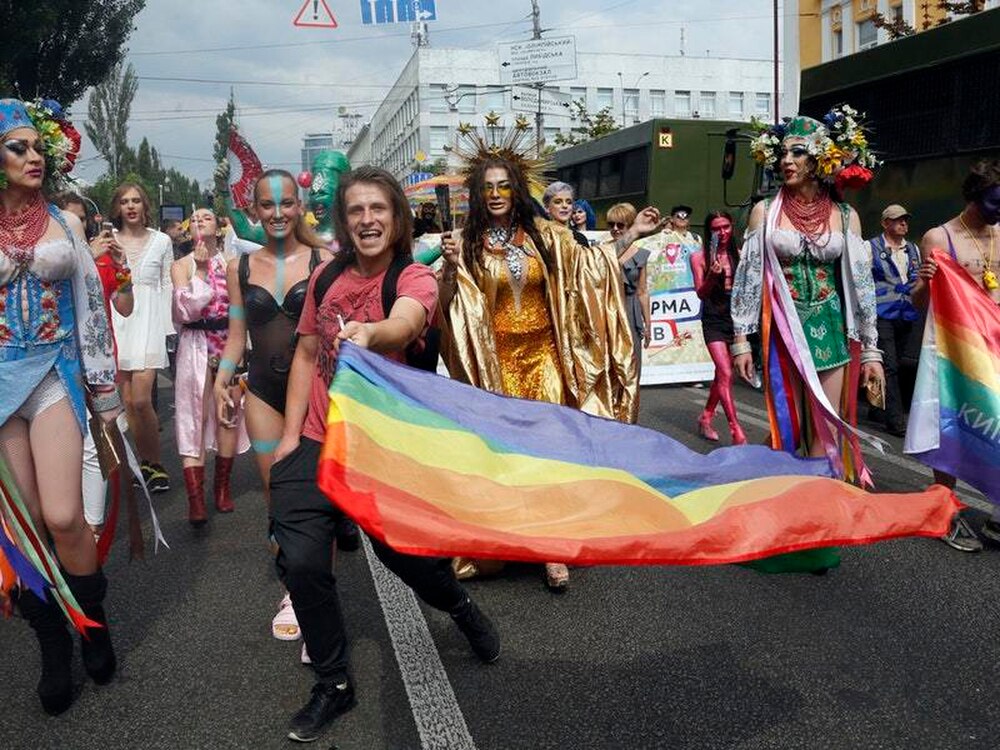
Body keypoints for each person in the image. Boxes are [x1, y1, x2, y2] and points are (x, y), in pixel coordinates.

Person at [269, 165, 500, 743]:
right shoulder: (325, 278)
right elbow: (306, 356)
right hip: (318, 438)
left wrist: (369, 334)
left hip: (384, 448)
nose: (367, 220)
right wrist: (291, 438)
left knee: (408, 561)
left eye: (378, 209)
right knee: (301, 561)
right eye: (356, 210)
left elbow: (405, 323)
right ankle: (333, 683)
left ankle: (459, 606)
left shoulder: (413, 277)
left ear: (396, 218)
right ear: (343, 221)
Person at [440, 119, 661, 589]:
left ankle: (552, 548)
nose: (496, 194)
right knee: (506, 457)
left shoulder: (546, 234)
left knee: (550, 454)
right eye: (488, 187)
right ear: (478, 193)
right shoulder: (469, 243)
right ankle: (510, 539)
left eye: (504, 185)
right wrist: (451, 270)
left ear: (518, 189)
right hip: (497, 367)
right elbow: (451, 310)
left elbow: (592, 267)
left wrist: (633, 235)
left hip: (545, 359)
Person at [0, 98, 120, 715]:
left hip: (53, 372)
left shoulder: (64, 226)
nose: (33, 157)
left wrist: (104, 392)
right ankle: (52, 645)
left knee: (65, 515)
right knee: (22, 530)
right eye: (17, 147)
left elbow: (91, 307)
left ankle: (92, 623)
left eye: (37, 147)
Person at [730, 110, 884, 572]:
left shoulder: (845, 216)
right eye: (782, 153)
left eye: (797, 153)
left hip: (832, 333)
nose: (786, 160)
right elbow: (748, 278)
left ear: (822, 160)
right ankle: (774, 523)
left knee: (825, 431)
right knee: (787, 429)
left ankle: (812, 532)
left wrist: (871, 350)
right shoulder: (766, 212)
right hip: (783, 333)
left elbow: (862, 286)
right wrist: (741, 338)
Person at [213, 169, 340, 646]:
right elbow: (237, 337)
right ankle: (294, 590)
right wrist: (223, 378)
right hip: (264, 394)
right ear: (254, 210)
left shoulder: (325, 262)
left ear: (299, 205)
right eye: (267, 204)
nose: (278, 212)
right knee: (279, 498)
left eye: (287, 202)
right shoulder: (240, 268)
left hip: (314, 396)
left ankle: (317, 597)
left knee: (315, 498)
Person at [912, 158, 1000, 552]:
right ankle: (943, 511)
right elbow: (918, 303)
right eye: (995, 202)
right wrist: (925, 285)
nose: (999, 211)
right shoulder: (939, 236)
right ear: (975, 195)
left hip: (996, 346)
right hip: (955, 349)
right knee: (951, 425)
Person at [171, 208, 249, 526]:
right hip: (195, 345)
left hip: (227, 341)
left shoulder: (233, 264)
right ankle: (195, 499)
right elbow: (185, 312)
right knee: (195, 416)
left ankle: (222, 487)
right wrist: (201, 272)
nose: (200, 221)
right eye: (195, 219)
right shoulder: (181, 266)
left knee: (228, 414)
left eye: (207, 218)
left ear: (218, 228)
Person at [108, 182, 173, 492]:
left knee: (143, 399)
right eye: (125, 201)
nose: (131, 206)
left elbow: (167, 284)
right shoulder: (109, 241)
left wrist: (168, 327)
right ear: (117, 208)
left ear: (145, 206)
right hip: (118, 320)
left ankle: (156, 463)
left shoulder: (162, 241)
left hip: (149, 321)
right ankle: (143, 464)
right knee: (129, 403)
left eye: (136, 200)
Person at [691, 210, 746, 445]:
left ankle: (706, 417)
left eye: (726, 227)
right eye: (716, 229)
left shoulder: (739, 255)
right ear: (709, 231)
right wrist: (712, 276)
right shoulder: (699, 257)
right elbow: (701, 294)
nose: (722, 232)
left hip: (735, 319)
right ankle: (736, 431)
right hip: (713, 319)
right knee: (725, 372)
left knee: (721, 374)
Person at [866, 204, 922, 437]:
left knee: (895, 364)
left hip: (906, 313)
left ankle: (875, 406)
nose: (903, 223)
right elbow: (862, 280)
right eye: (898, 220)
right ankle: (896, 421)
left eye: (905, 219)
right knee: (888, 366)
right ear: (885, 223)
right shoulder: (871, 247)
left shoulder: (913, 249)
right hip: (881, 313)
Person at [607, 202, 652, 376]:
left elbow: (642, 291)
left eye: (620, 225)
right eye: (611, 224)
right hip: (608, 309)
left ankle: (631, 394)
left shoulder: (640, 254)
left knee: (632, 362)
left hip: (630, 311)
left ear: (631, 225)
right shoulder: (602, 250)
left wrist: (648, 323)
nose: (615, 229)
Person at [542, 180, 590, 249]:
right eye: (558, 202)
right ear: (547, 207)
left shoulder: (580, 239)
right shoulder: (540, 237)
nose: (565, 206)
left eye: (569, 202)